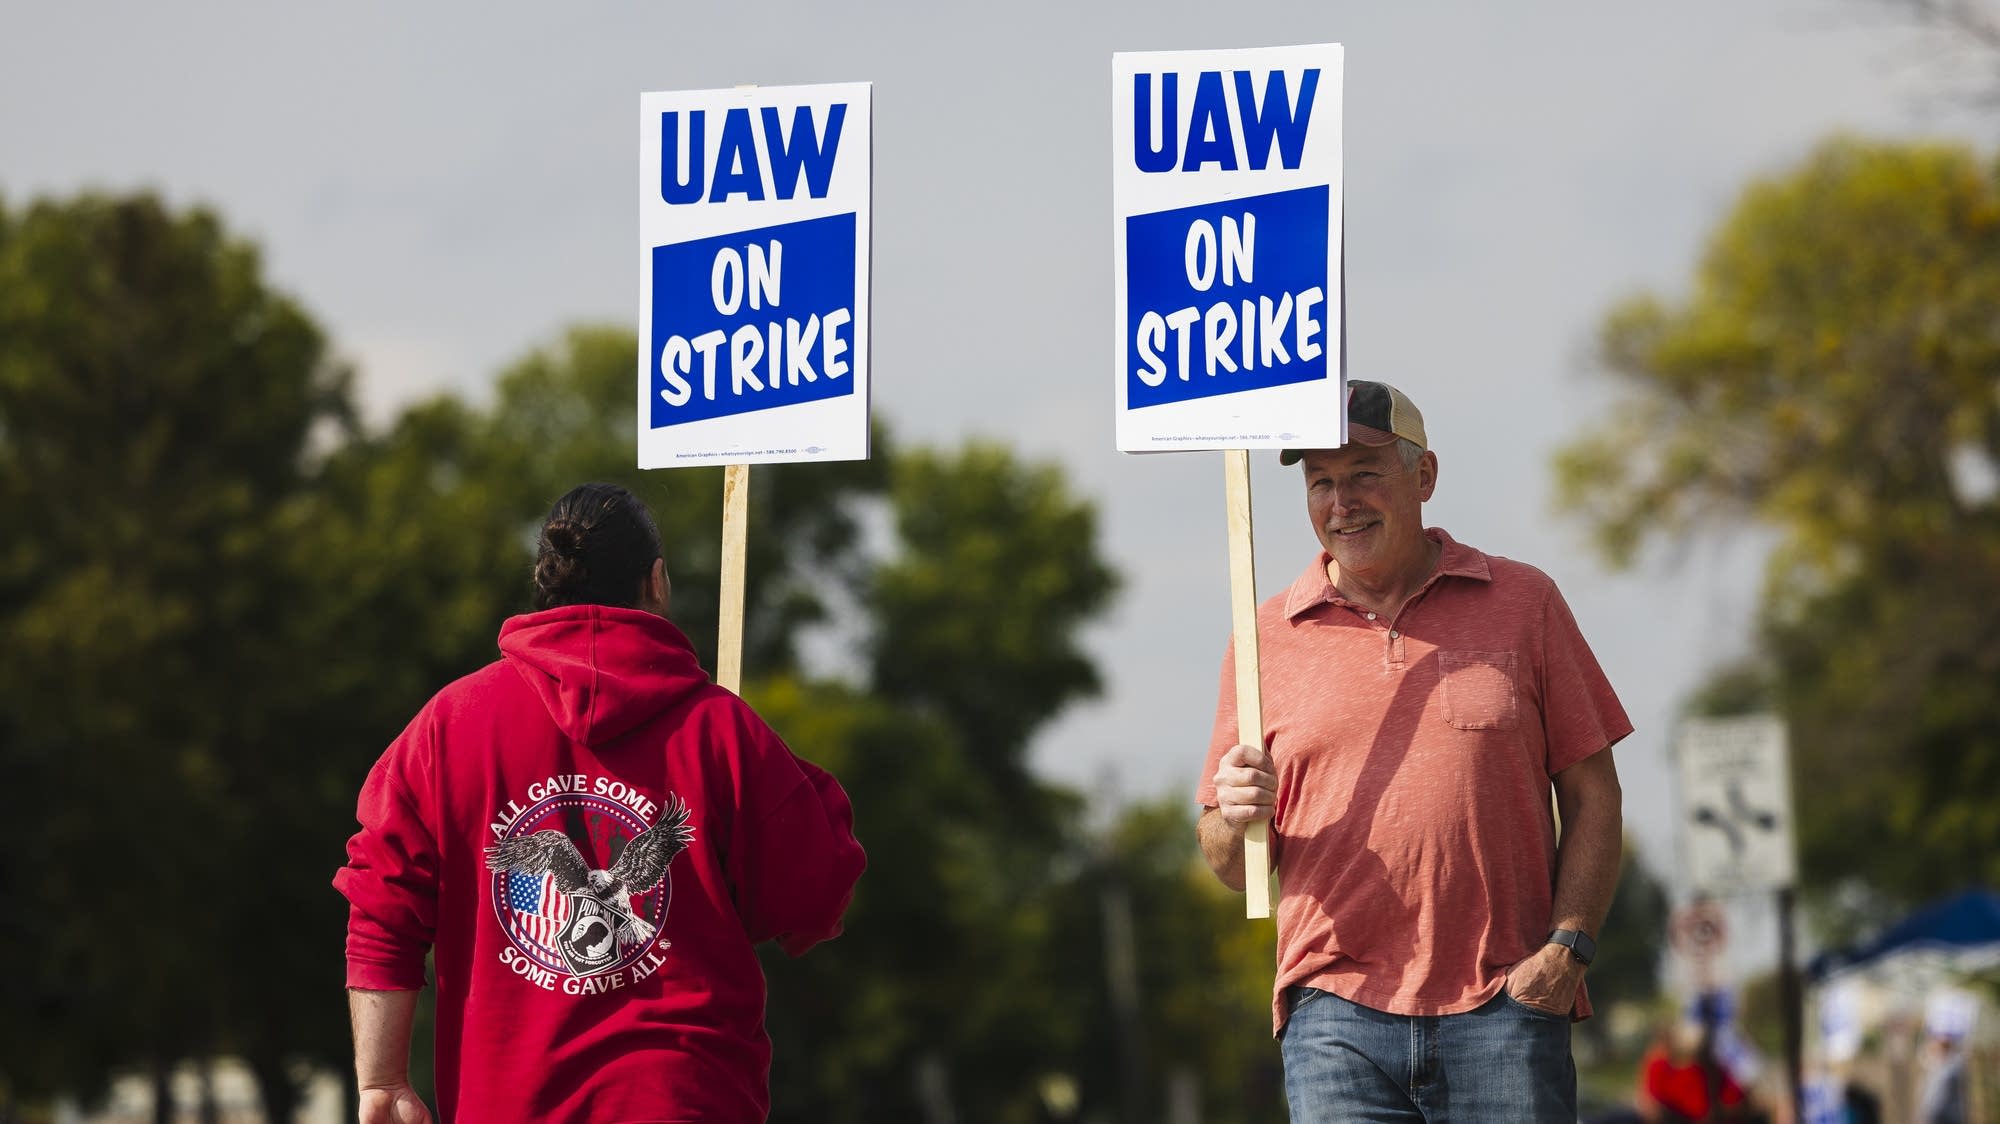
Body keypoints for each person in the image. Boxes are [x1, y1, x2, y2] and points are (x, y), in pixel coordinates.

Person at [334, 483, 866, 1123]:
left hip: (509, 1103)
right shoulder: (718, 731)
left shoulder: (449, 725)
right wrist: (764, 777)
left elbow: (381, 909)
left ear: (545, 584)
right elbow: (814, 893)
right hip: (685, 1101)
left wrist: (383, 1079)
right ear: (658, 582)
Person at [1196, 380, 1630, 1121]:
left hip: (1507, 1004)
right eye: (1320, 481)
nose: (1342, 502)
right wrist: (1233, 818)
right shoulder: (1263, 637)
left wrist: (1566, 952)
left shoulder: (1525, 602)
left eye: (1364, 474)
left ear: (1423, 475)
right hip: (1335, 1014)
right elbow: (1233, 866)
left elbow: (1595, 796)